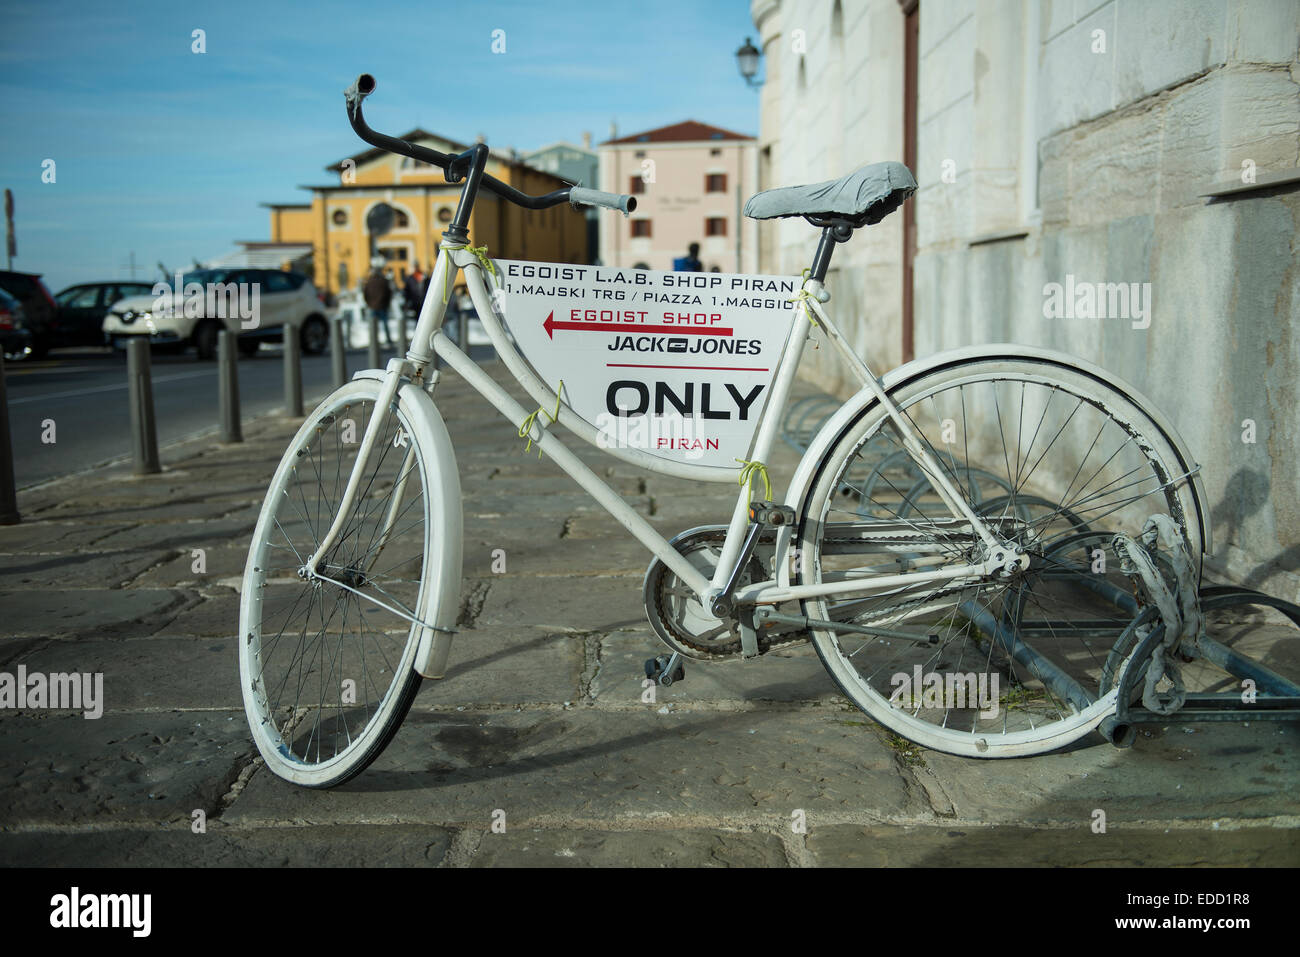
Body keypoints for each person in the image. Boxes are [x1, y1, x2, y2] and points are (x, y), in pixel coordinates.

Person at [363, 259, 394, 349]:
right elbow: (389, 293)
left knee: (373, 326)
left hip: (372, 306)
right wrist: (386, 303)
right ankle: (388, 340)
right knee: (385, 324)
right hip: (382, 306)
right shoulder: (384, 281)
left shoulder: (369, 282)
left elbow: (365, 294)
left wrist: (369, 303)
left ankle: (373, 340)